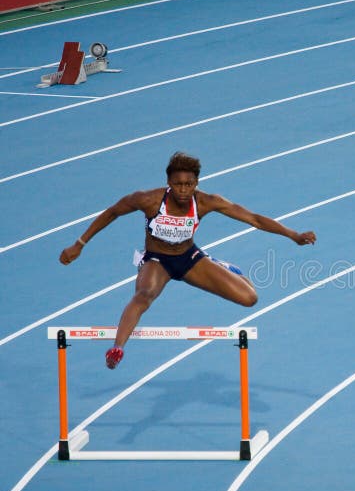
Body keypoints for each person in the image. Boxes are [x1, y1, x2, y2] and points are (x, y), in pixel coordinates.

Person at [59, 152, 316, 369]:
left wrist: (293, 235)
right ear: (169, 182)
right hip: (157, 261)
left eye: (189, 184)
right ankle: (117, 348)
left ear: (196, 183)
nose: (183, 190)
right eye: (178, 184)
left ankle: (221, 266)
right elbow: (112, 212)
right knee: (143, 296)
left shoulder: (206, 202)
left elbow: (255, 219)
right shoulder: (148, 200)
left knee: (250, 299)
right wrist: (79, 244)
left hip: (189, 258)